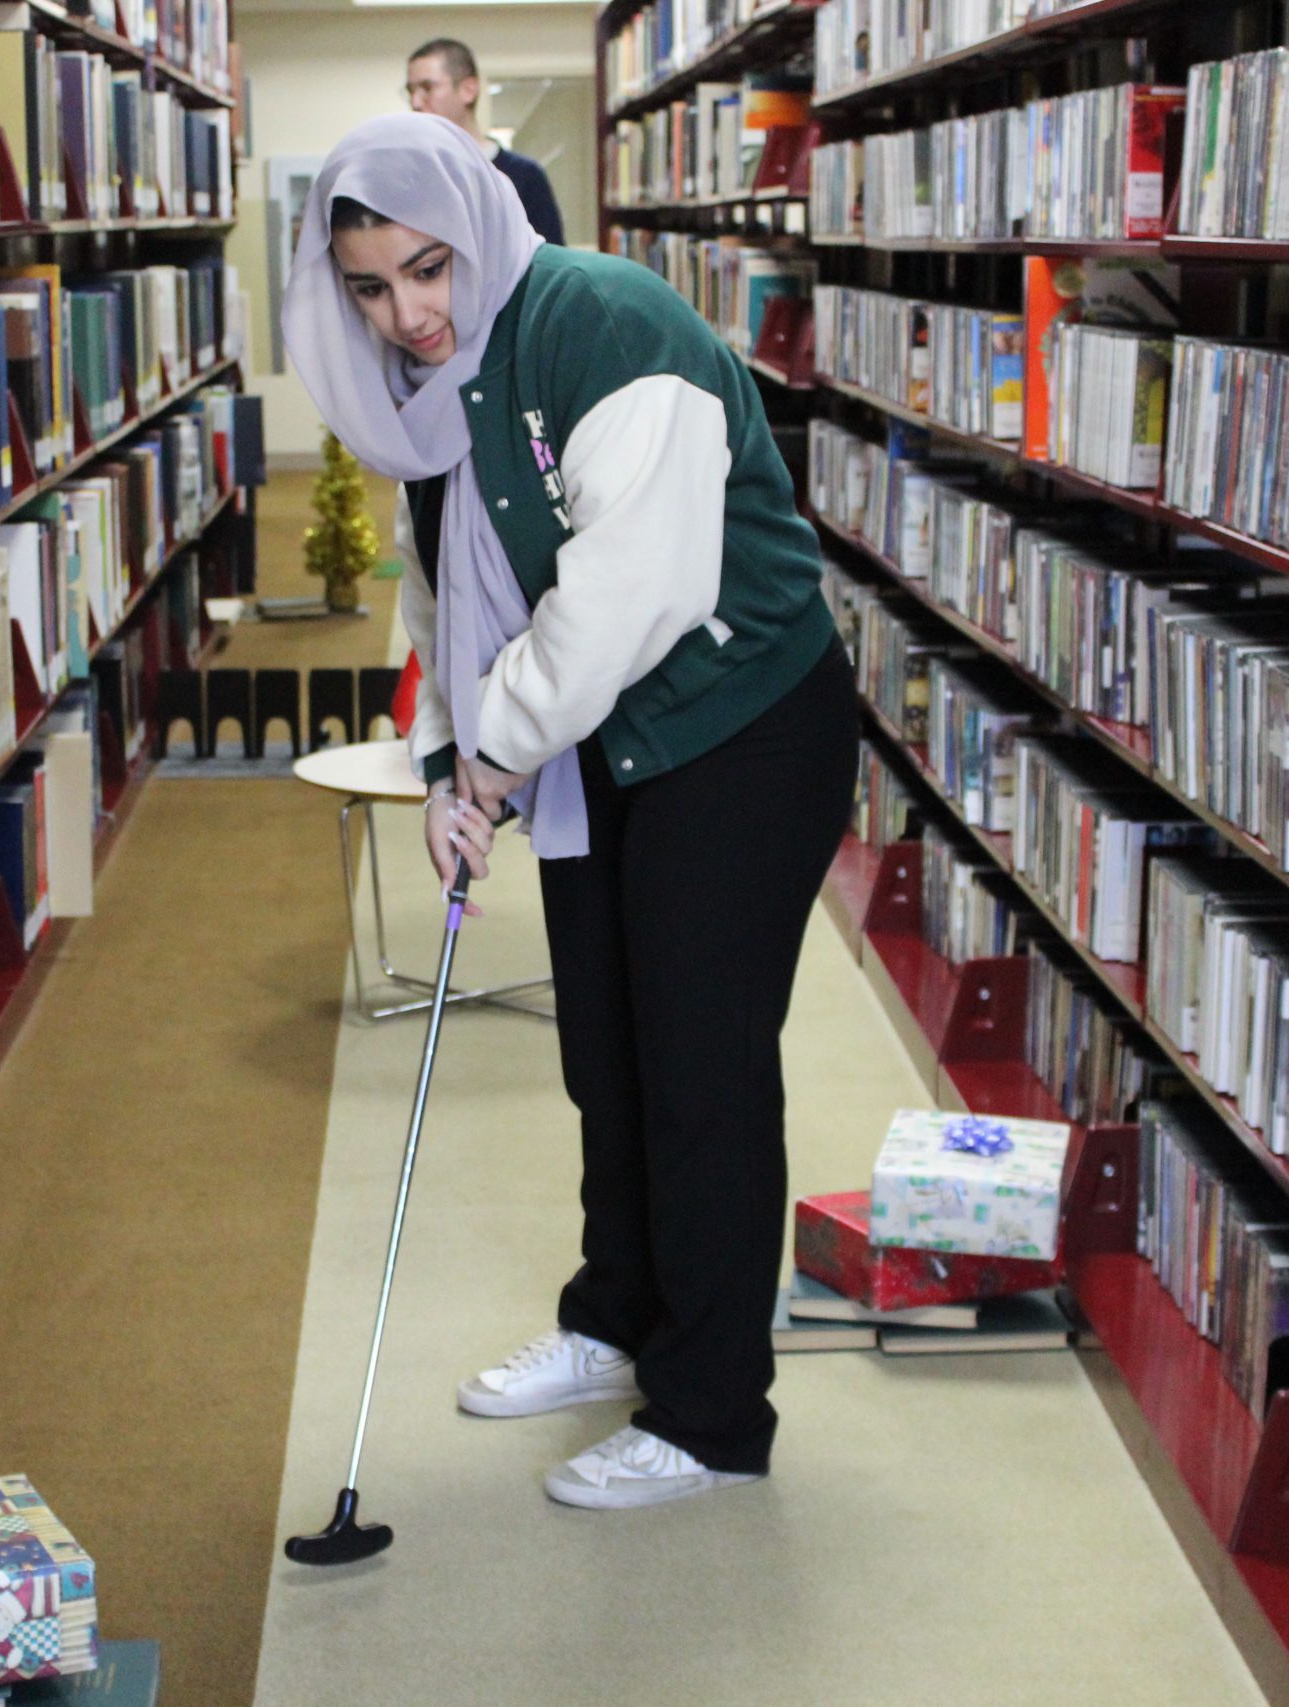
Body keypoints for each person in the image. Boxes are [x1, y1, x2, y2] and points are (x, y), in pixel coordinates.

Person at [282, 114, 854, 1510]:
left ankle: (714, 1408)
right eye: (369, 285)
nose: (409, 313)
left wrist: (494, 752)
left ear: (477, 228)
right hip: (602, 743)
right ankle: (615, 1318)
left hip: (738, 729)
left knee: (701, 1071)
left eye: (428, 270)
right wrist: (440, 760)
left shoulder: (603, 319)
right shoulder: (422, 392)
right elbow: (442, 591)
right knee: (608, 1043)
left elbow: (627, 595)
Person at [405, 39, 564, 245]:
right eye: (411, 91)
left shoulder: (526, 177)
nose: (415, 102)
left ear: (469, 90)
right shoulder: (412, 176)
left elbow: (548, 263)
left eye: (427, 87)